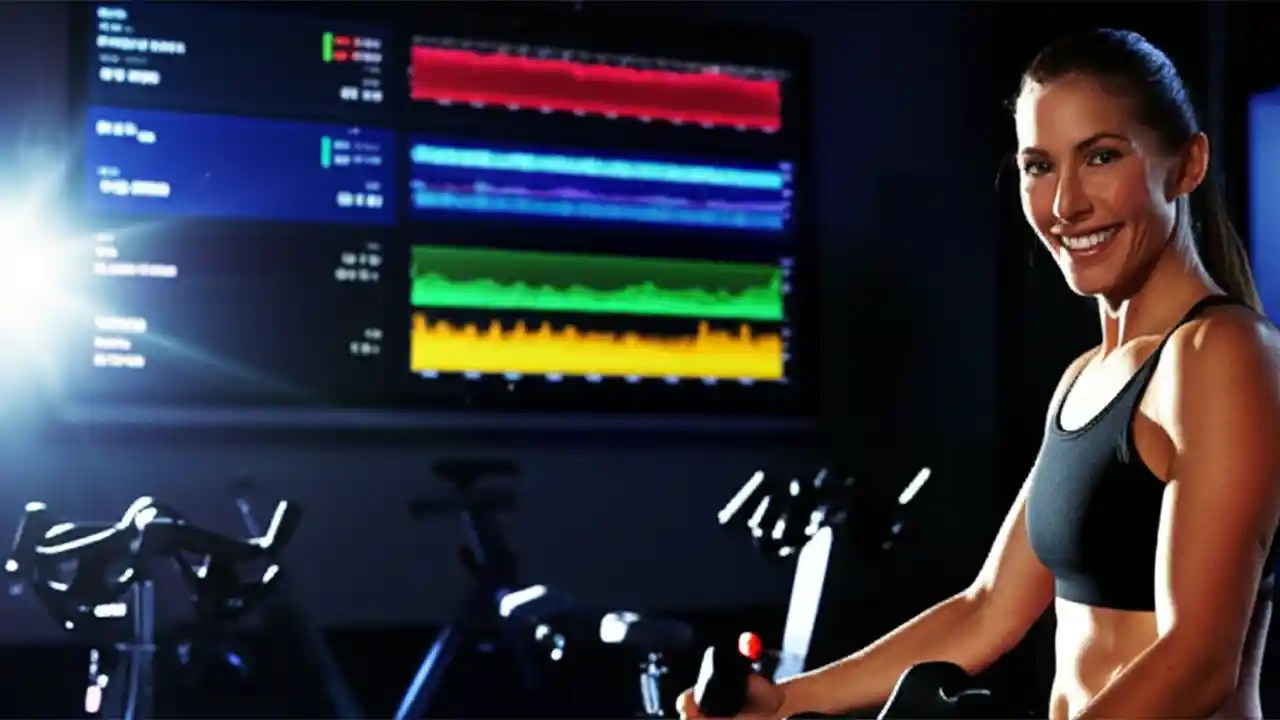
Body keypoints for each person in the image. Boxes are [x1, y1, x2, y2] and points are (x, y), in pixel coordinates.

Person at [677, 28, 1280, 720]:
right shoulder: (1086, 376)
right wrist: (785, 702)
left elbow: (1200, 659)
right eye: (1038, 166)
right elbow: (987, 610)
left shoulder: (1221, 354)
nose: (1064, 206)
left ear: (1187, 165)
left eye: (1102, 156)